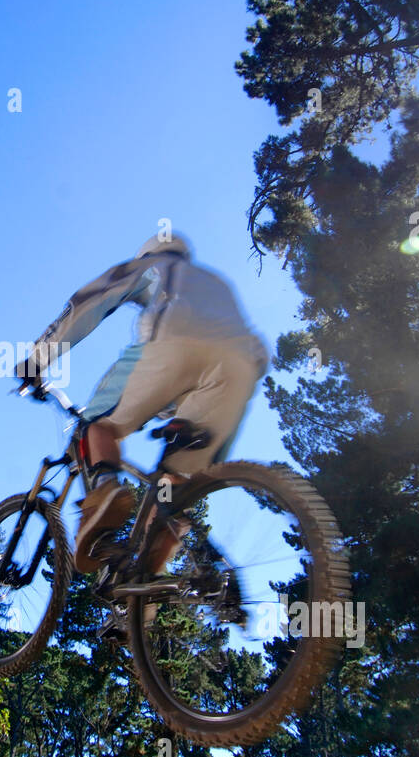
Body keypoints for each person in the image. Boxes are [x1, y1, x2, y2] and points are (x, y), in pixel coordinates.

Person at [14, 231, 269, 585]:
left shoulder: (153, 266)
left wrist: (36, 360)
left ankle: (106, 492)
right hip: (241, 368)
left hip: (172, 344)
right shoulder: (216, 283)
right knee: (176, 486)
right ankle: (139, 601)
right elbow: (207, 359)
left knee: (97, 425)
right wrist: (167, 408)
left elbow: (90, 302)